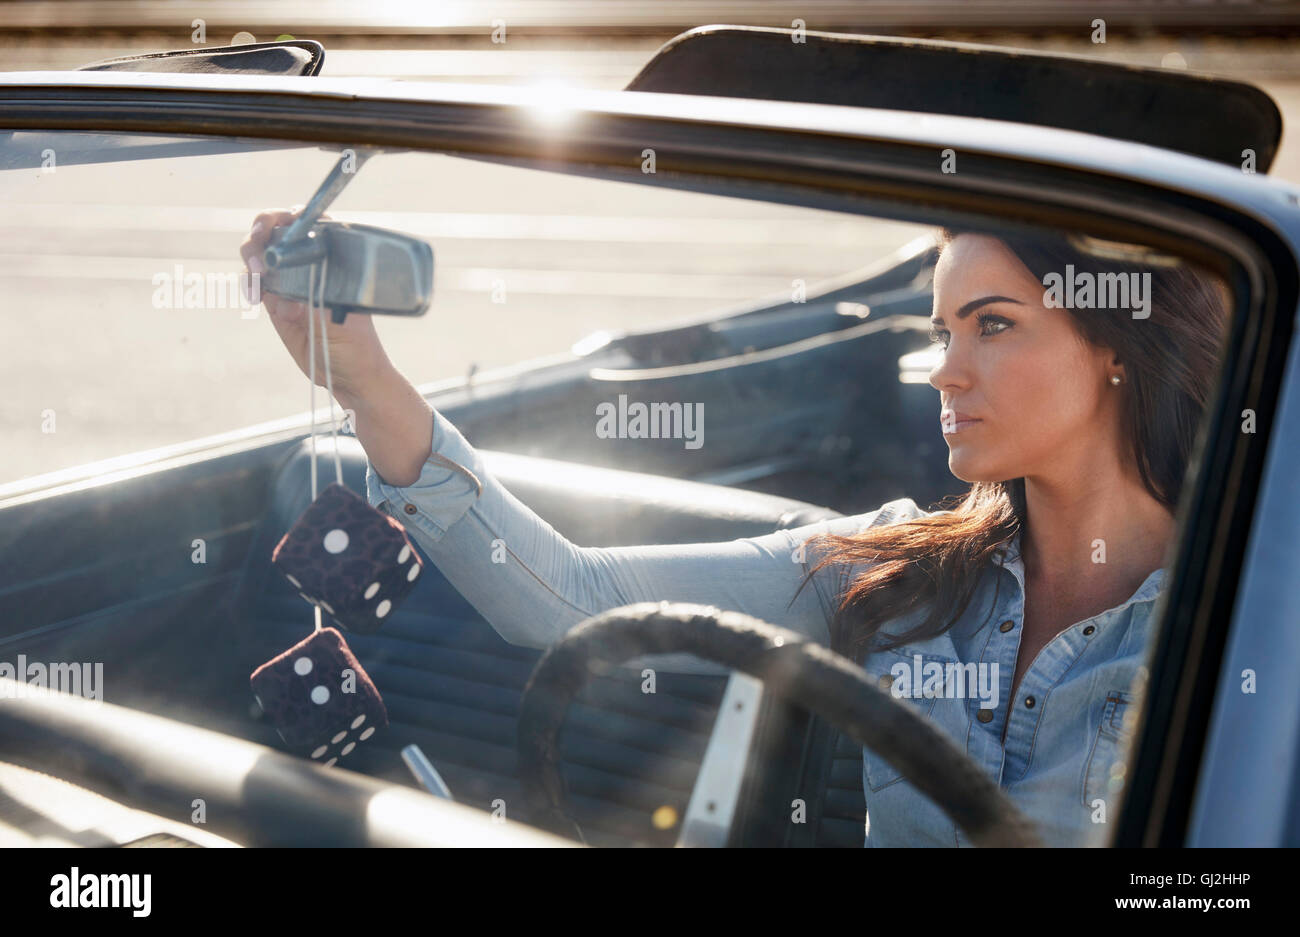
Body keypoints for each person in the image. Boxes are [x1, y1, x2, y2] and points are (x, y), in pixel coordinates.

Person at [242, 212, 1228, 846]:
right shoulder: (898, 571)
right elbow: (563, 596)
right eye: (940, 330)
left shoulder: (1242, 622)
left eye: (994, 325)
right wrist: (365, 378)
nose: (944, 369)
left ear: (1116, 351)